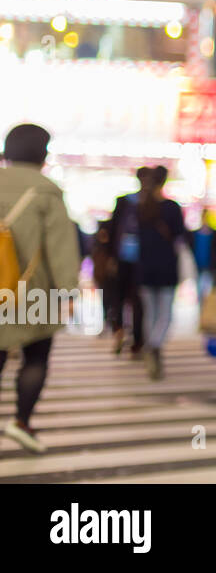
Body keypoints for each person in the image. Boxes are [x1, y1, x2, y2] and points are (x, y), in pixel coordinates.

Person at [0, 124, 82, 453]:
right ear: (42, 153)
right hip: (34, 292)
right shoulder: (47, 191)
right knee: (35, 357)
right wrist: (68, 291)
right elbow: (60, 247)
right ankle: (21, 422)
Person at [134, 166, 190, 380]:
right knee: (165, 313)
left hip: (145, 267)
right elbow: (180, 238)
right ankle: (155, 346)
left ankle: (152, 345)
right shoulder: (171, 208)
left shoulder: (142, 206)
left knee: (150, 313)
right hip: (166, 267)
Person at [106, 166, 153, 358]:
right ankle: (119, 332)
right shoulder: (125, 202)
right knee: (119, 299)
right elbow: (111, 231)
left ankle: (137, 341)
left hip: (141, 262)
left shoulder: (151, 204)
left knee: (137, 302)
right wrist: (111, 257)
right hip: (122, 259)